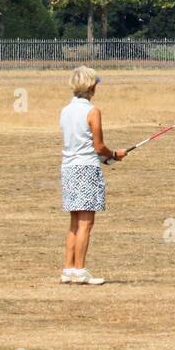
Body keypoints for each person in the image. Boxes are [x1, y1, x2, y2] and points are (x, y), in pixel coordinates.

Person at [59, 66, 124, 284]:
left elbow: (84, 145)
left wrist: (108, 158)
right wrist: (113, 154)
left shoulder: (65, 110)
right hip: (86, 169)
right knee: (86, 222)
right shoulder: (92, 111)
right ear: (91, 86)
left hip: (68, 168)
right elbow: (98, 146)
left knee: (75, 222)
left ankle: (68, 269)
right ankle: (80, 270)